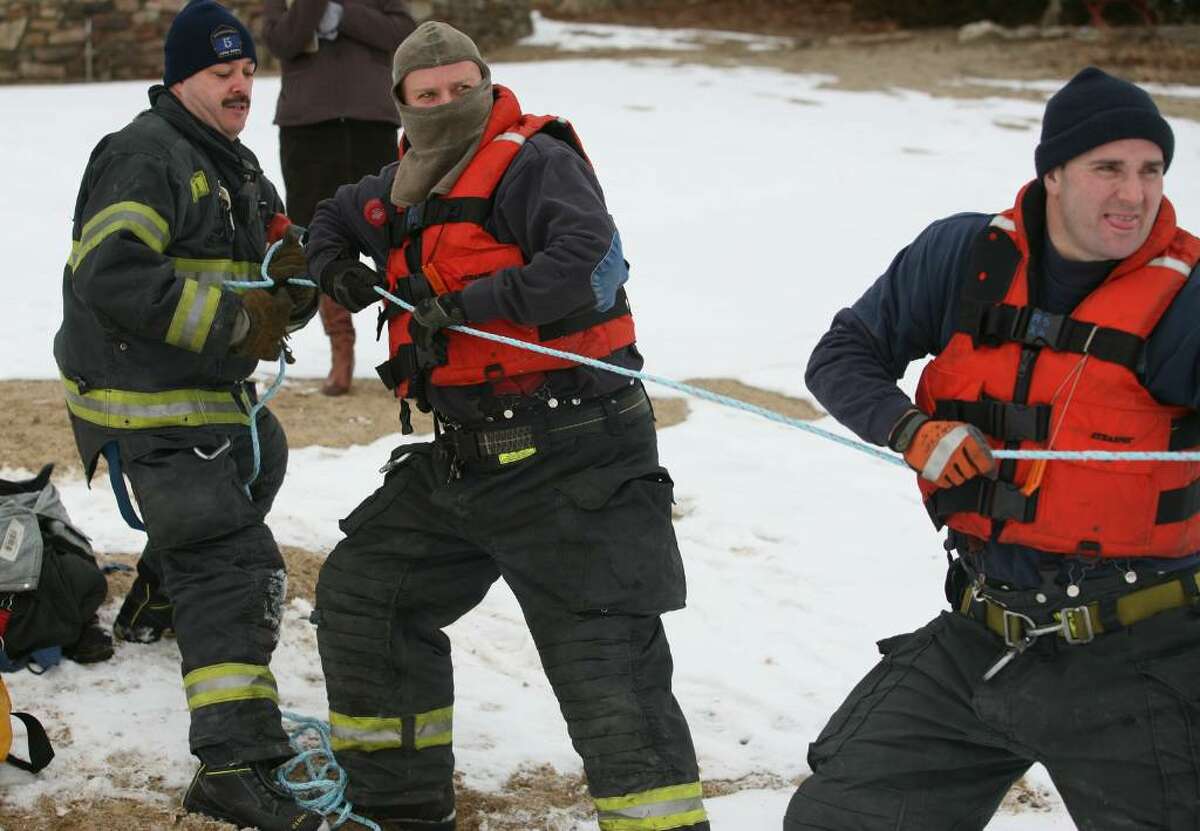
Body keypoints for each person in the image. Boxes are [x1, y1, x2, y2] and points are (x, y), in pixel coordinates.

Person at [303, 21, 710, 831]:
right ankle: (399, 807)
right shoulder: (401, 184)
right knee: (366, 593)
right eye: (427, 94)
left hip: (575, 457)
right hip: (465, 462)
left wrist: (469, 304)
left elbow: (586, 259)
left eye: (462, 88)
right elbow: (329, 219)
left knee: (605, 669)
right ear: (402, 104)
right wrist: (334, 268)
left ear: (487, 84)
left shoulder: (537, 163)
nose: (446, 104)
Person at [786, 66, 1200, 830]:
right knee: (840, 818)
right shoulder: (965, 256)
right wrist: (911, 429)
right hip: (985, 629)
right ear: (1052, 173)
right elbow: (843, 354)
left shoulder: (1188, 296)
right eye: (1108, 167)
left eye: (1151, 170)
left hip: (1142, 651)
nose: (1134, 194)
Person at [53, 2, 322, 828]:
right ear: (179, 80)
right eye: (221, 73)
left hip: (202, 394)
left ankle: (159, 596)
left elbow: (270, 247)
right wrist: (238, 323)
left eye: (247, 71)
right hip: (143, 400)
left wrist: (297, 276)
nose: (241, 85)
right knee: (236, 566)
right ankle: (232, 762)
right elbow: (111, 271)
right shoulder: (145, 155)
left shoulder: (232, 160)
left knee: (262, 454)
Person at [263, 0, 416, 396]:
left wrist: (343, 14)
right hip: (308, 126)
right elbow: (280, 41)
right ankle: (341, 349)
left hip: (370, 121)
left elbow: (400, 31)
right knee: (317, 238)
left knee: (396, 234)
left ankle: (410, 347)